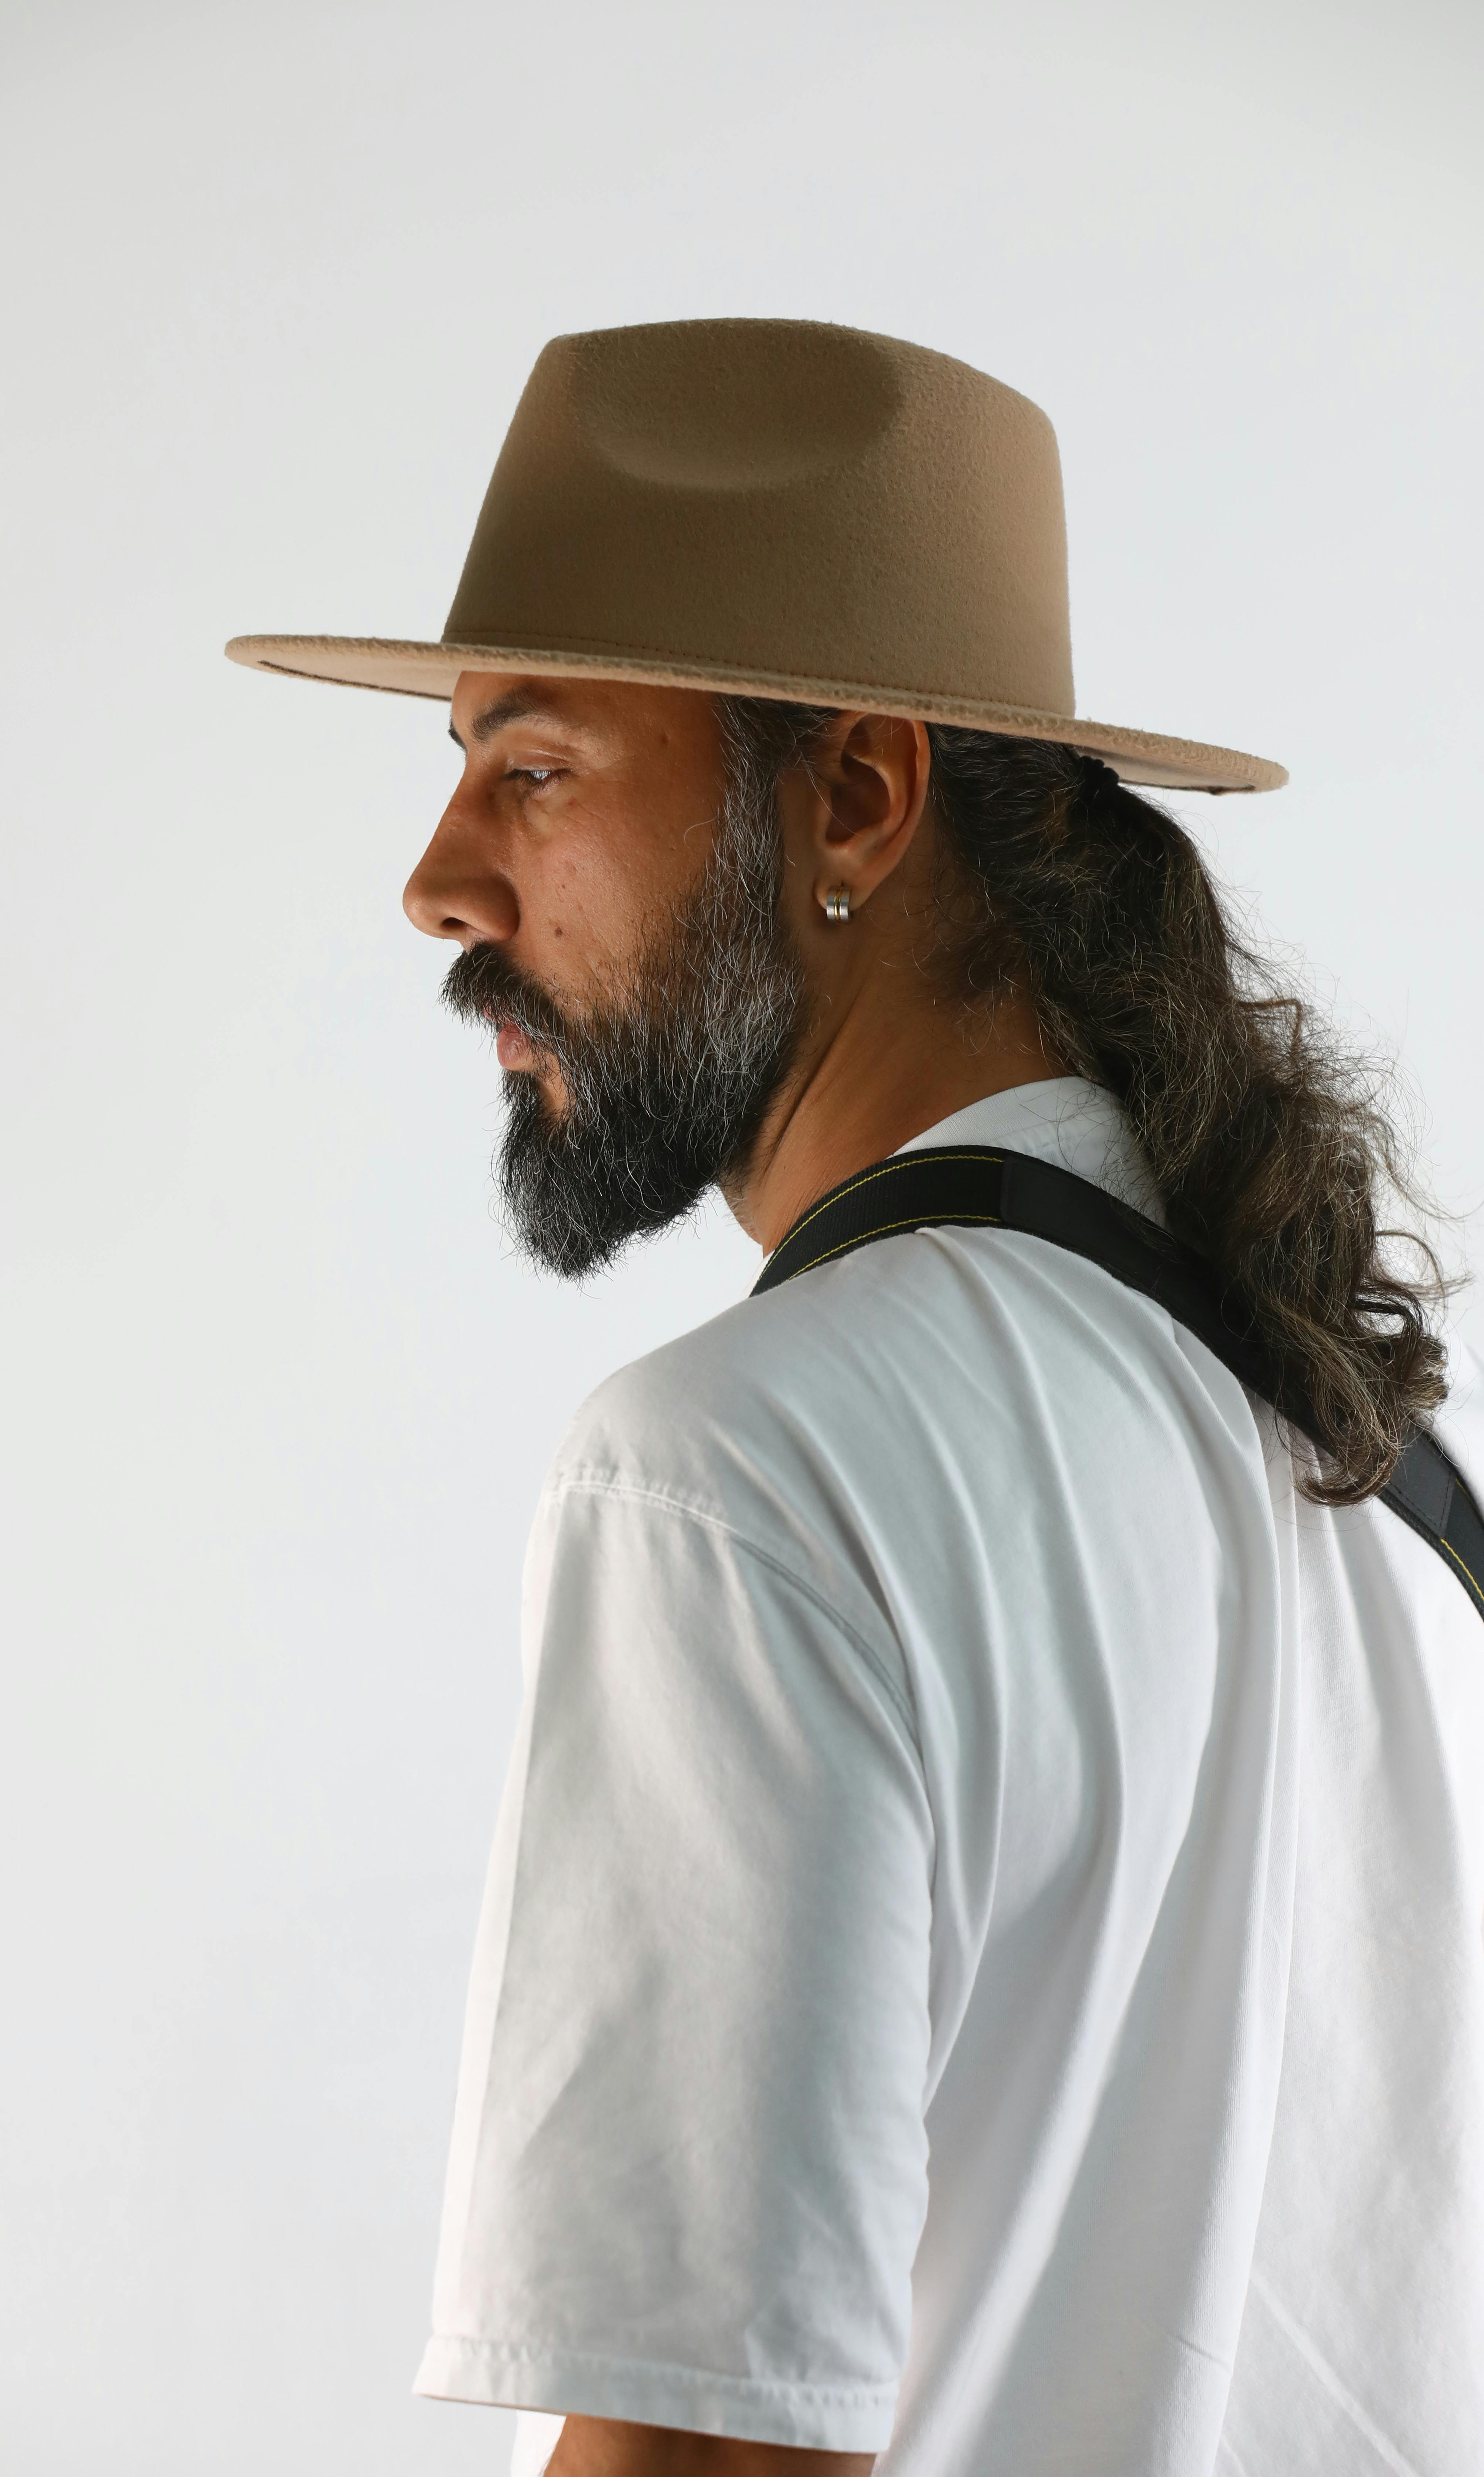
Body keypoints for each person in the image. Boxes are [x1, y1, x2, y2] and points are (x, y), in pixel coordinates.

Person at [226, 321, 1484, 2477]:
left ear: (860, 795)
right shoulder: (1370, 1478)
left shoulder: (743, 1474)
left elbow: (707, 2456)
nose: (438, 882)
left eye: (528, 768)